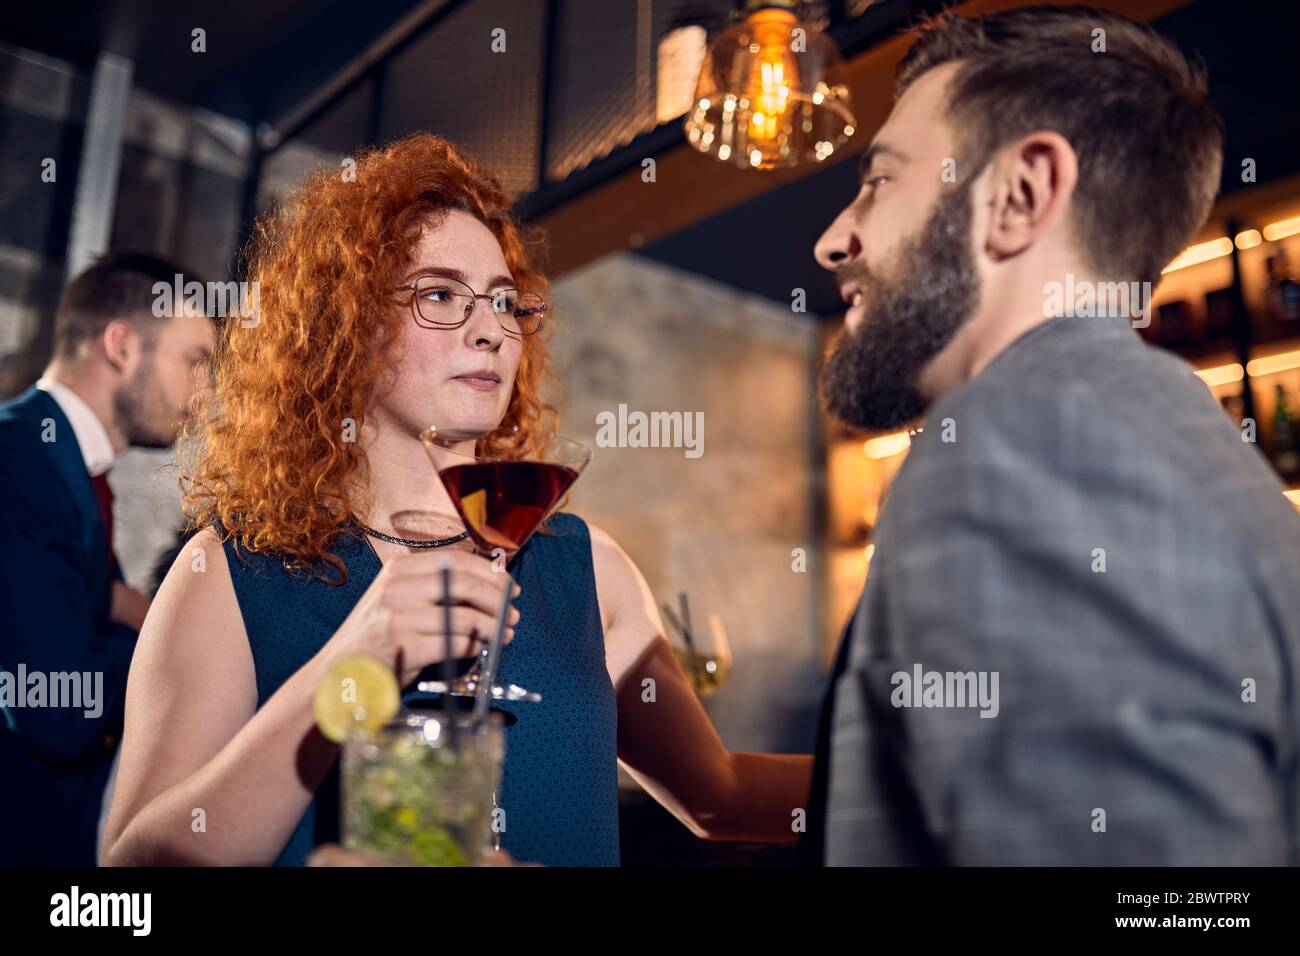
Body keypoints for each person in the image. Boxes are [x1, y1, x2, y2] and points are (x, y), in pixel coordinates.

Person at [101, 133, 812, 867]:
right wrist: (351, 665)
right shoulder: (228, 571)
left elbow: (719, 796)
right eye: (441, 294)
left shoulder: (587, 565)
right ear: (343, 325)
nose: (492, 331)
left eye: (505, 302)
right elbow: (129, 876)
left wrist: (919, 777)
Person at [803, 4, 1300, 865]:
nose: (831, 240)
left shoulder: (1019, 437)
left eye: (879, 180)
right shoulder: (1154, 423)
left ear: (1020, 197)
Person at [0, 252, 216, 865]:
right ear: (121, 346)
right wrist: (176, 643)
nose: (203, 394)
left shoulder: (63, 466)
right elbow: (60, 711)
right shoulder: (20, 465)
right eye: (193, 362)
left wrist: (124, 610)